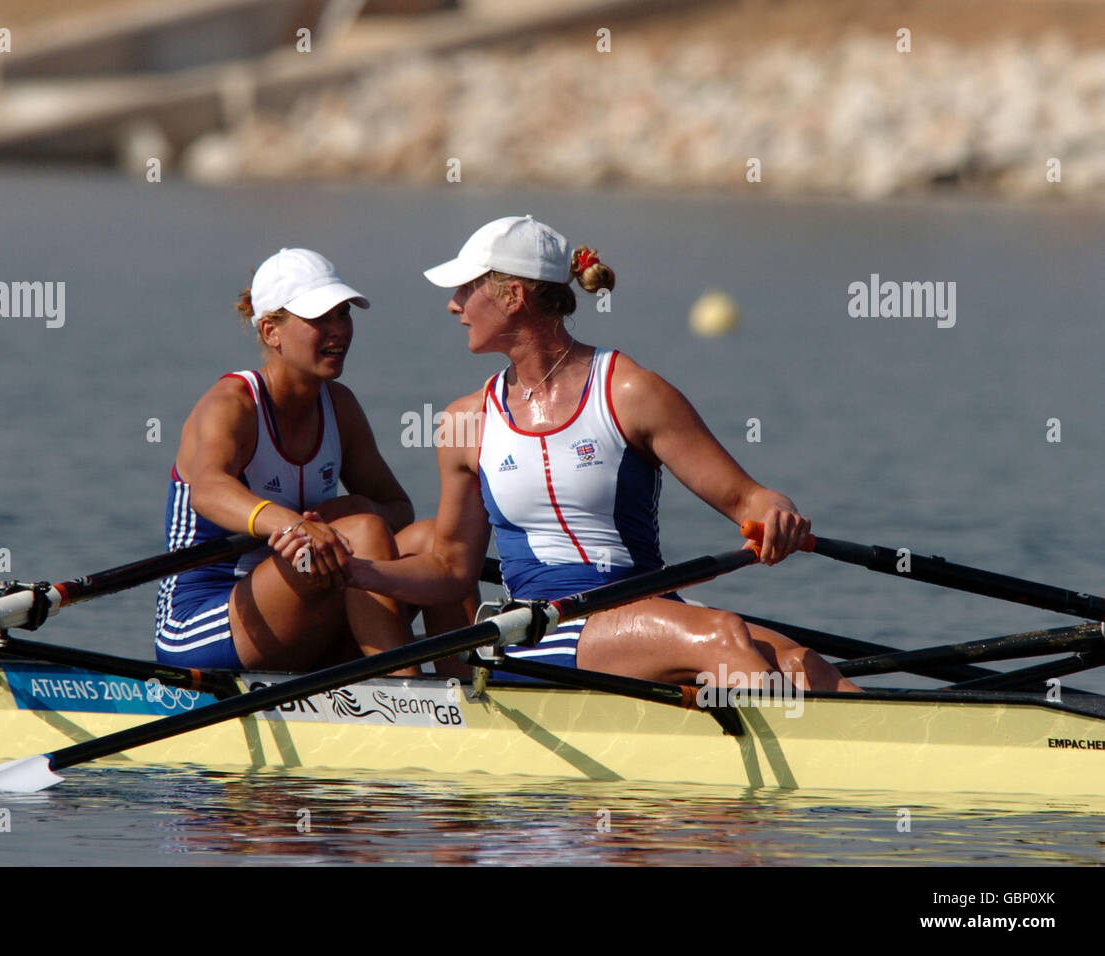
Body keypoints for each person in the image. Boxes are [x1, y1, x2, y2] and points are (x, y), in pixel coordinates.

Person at [349, 216, 858, 692]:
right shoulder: (465, 424)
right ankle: (799, 773)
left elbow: (748, 499)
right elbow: (451, 571)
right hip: (539, 629)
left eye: (466, 288)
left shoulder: (631, 392)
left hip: (648, 611)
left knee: (803, 667)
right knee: (723, 636)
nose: (453, 304)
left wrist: (779, 513)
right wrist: (355, 572)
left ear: (513, 297)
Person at [154, 247, 421, 676]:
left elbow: (398, 508)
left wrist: (338, 514)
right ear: (271, 331)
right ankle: (414, 699)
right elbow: (208, 491)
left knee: (430, 542)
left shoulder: (341, 407)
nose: (339, 331)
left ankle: (463, 687)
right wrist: (292, 524)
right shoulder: (231, 404)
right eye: (320, 319)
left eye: (343, 315)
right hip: (204, 619)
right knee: (366, 531)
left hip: (296, 598)